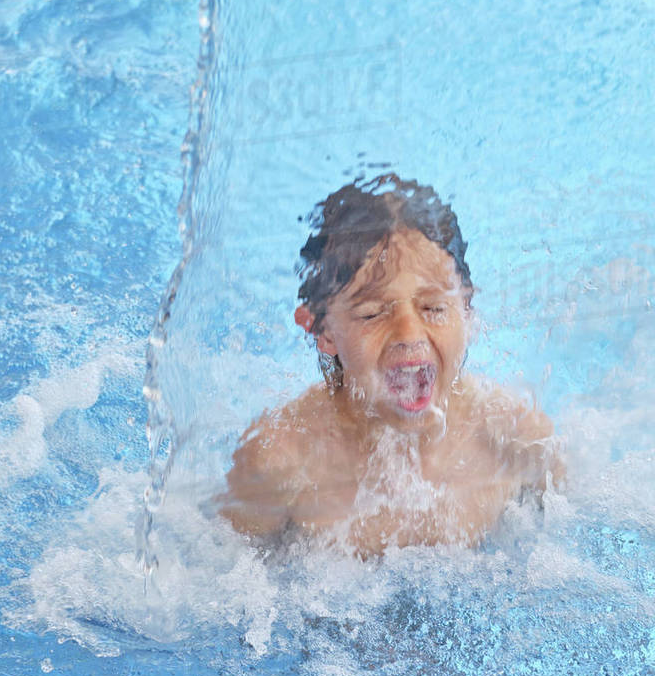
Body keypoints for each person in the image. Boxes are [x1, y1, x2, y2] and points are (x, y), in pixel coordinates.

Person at [222, 173, 560, 556]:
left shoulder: (514, 438)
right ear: (322, 328)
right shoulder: (281, 462)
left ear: (467, 310)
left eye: (433, 307)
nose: (408, 334)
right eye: (371, 314)